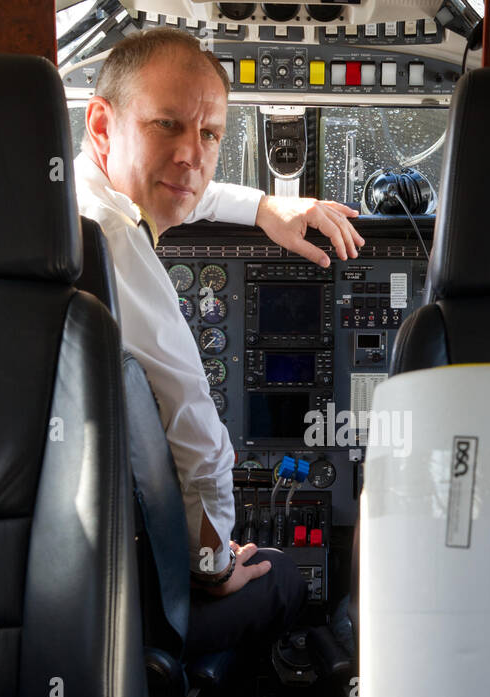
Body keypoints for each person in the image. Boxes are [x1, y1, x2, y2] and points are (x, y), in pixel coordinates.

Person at [75, 27, 364, 657]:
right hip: (137, 613)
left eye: (209, 135)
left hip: (78, 574)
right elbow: (197, 429)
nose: (191, 154)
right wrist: (212, 567)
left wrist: (262, 207)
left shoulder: (64, 208)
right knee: (285, 576)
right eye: (166, 125)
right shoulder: (115, 239)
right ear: (102, 125)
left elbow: (182, 186)